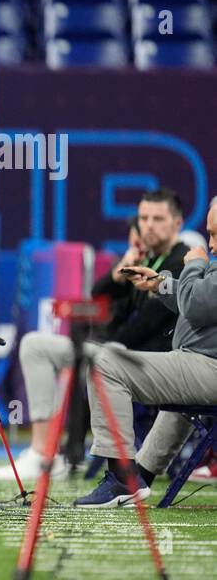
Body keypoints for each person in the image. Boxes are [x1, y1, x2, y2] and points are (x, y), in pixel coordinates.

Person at [0, 189, 189, 482]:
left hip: (147, 361)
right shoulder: (144, 258)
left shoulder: (180, 262)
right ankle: (44, 453)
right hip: (114, 349)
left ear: (177, 223)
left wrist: (97, 347)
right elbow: (97, 296)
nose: (148, 225)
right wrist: (117, 274)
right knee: (35, 345)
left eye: (157, 218)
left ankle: (86, 456)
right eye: (144, 218)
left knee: (91, 353)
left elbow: (145, 327)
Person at [75, 197, 217, 506]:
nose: (211, 244)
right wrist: (158, 284)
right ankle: (141, 474)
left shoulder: (201, 260)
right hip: (201, 366)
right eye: (209, 233)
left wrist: (195, 263)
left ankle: (121, 478)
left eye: (216, 234)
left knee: (103, 363)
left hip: (209, 368)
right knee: (178, 391)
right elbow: (198, 297)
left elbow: (195, 305)